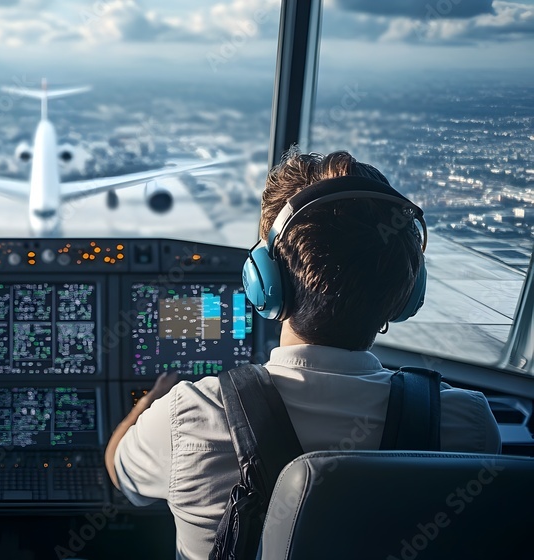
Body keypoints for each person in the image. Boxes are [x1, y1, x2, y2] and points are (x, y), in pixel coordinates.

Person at [104, 149, 501, 560]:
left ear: (266, 283)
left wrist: (148, 405)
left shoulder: (190, 415)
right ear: (404, 296)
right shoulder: (465, 425)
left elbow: (120, 473)